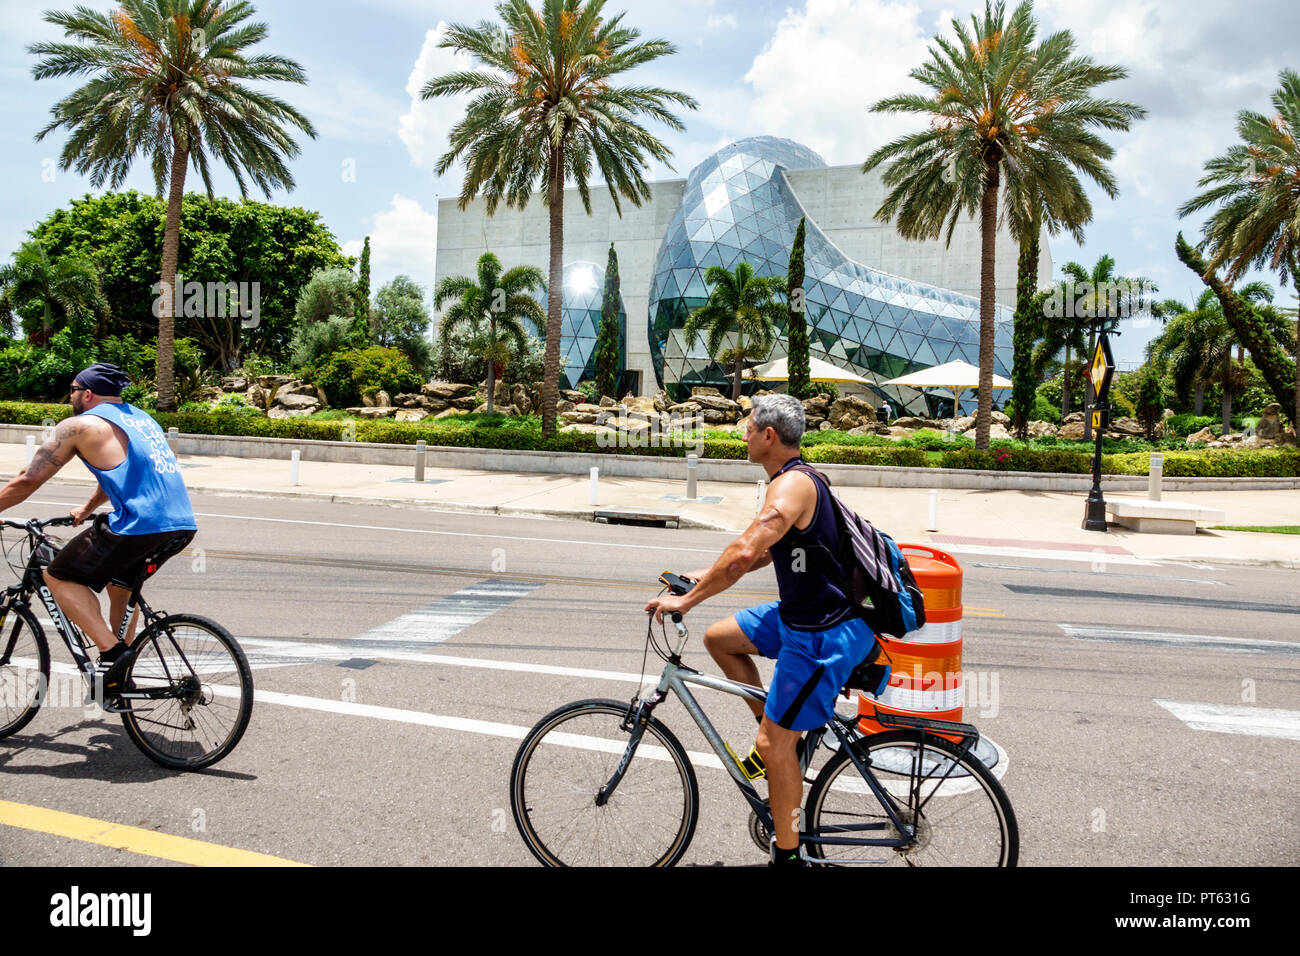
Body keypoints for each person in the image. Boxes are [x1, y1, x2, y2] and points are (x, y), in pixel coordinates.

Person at [644, 393, 873, 867]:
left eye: (748, 428)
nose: (742, 434)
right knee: (719, 639)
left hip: (821, 634)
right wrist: (703, 577)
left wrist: (687, 600)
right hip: (799, 615)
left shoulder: (791, 486)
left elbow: (748, 550)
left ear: (769, 436)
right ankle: (773, 739)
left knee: (775, 745)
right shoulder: (797, 481)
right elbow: (766, 554)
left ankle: (788, 855)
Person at [0, 363, 197, 700]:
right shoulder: (140, 419)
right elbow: (122, 471)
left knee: (58, 576)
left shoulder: (78, 426)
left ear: (86, 393)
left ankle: (112, 654)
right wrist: (88, 509)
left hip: (140, 525)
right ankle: (119, 678)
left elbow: (28, 479)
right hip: (179, 523)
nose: (70, 397)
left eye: (73, 390)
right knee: (119, 586)